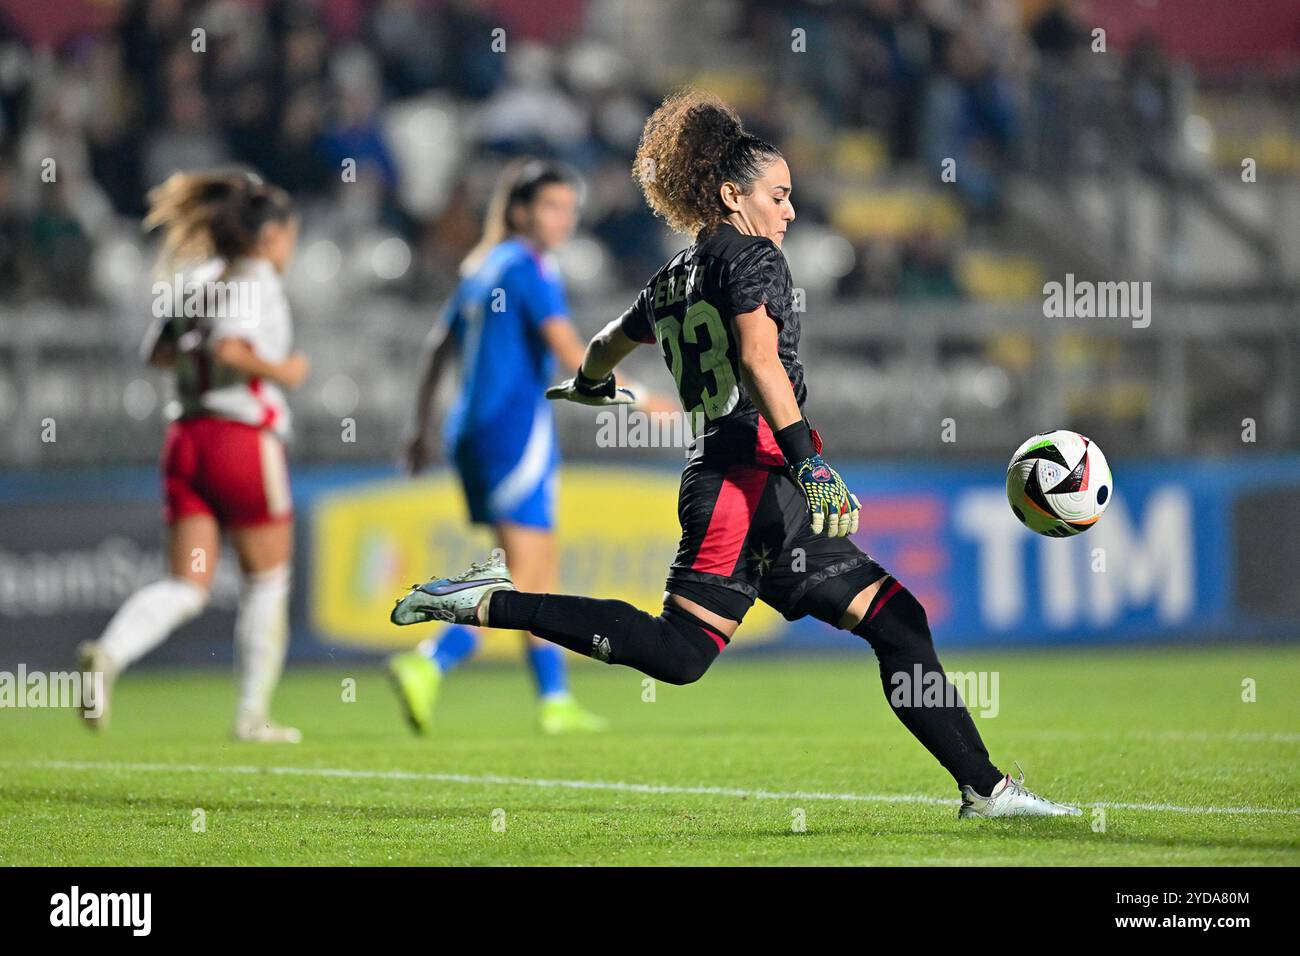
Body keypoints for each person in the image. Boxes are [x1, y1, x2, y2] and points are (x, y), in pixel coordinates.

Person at [390, 91, 1080, 818]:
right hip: (747, 480)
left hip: (743, 479)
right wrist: (810, 462)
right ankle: (486, 599)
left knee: (895, 620)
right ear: (731, 194)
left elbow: (601, 348)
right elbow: (758, 359)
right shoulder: (752, 257)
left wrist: (595, 386)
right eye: (778, 196)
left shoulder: (673, 277)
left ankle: (986, 789)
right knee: (680, 654)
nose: (788, 211)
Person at [389, 159, 664, 735]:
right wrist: (640, 397)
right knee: (527, 576)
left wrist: (419, 429)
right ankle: (431, 662)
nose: (564, 219)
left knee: (536, 568)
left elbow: (438, 347)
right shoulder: (528, 267)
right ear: (520, 211)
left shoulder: (481, 266)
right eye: (552, 207)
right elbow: (570, 349)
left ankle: (553, 699)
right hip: (513, 428)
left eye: (570, 209)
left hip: (469, 430)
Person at [79, 169, 308, 744]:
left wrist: (196, 358)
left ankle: (109, 653)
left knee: (188, 584)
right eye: (288, 235)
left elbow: (156, 352)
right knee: (268, 582)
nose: (290, 246)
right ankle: (252, 717)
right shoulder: (256, 281)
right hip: (240, 440)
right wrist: (285, 371)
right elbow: (231, 346)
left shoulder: (194, 279)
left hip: (186, 440)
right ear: (268, 236)